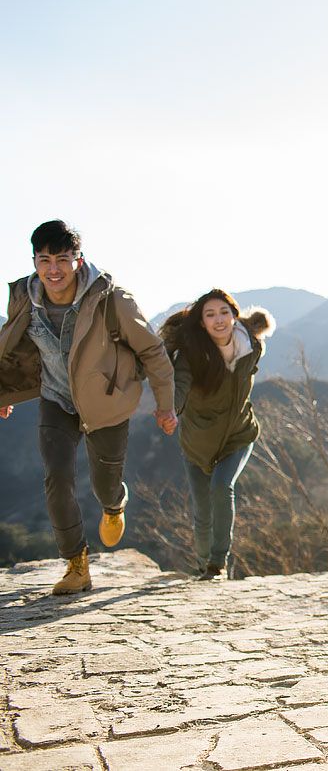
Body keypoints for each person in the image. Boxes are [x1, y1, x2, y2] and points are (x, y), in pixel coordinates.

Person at [0, 220, 176, 594]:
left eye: (62, 259)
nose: (53, 270)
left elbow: (152, 350)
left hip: (107, 405)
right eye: (44, 260)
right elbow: (12, 345)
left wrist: (165, 406)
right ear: (34, 260)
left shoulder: (112, 299)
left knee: (104, 484)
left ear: (79, 260)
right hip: (56, 400)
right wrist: (4, 394)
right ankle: (76, 564)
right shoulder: (23, 298)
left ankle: (115, 506)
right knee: (57, 478)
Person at [160, 290, 274, 581]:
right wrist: (171, 409)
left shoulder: (251, 346)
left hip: (239, 433)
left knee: (222, 487)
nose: (218, 319)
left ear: (234, 315)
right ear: (201, 323)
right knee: (202, 510)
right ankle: (203, 565)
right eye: (209, 315)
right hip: (198, 441)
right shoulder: (190, 354)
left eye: (224, 312)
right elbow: (180, 384)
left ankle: (217, 564)